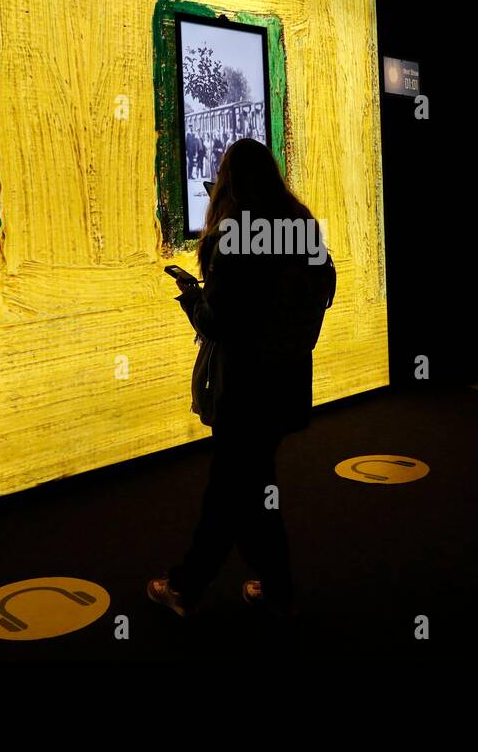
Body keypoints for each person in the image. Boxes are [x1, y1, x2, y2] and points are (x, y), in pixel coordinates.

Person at [149, 138, 316, 619]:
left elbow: (220, 323)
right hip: (284, 381)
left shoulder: (232, 236)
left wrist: (190, 296)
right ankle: (275, 586)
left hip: (244, 388)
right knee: (251, 488)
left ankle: (185, 587)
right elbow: (314, 294)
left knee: (230, 493)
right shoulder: (299, 226)